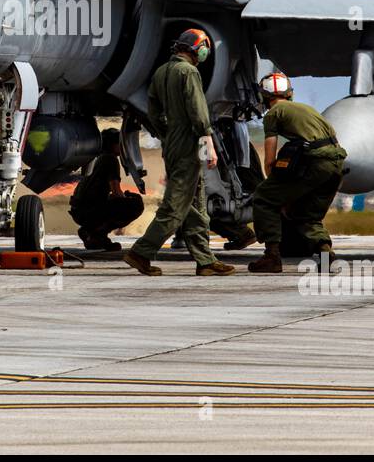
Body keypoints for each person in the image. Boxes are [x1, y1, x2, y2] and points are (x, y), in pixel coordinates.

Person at [123, 29, 236, 277]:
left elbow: (152, 113)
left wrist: (167, 133)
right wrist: (208, 144)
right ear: (195, 48)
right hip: (189, 143)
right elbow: (198, 111)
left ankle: (205, 261)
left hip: (172, 142)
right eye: (204, 46)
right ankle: (141, 252)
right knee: (175, 206)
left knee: (195, 205)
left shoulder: (161, 72)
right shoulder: (188, 72)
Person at [248, 72, 347, 274]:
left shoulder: (274, 113)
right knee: (305, 213)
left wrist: (274, 188)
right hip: (336, 164)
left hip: (315, 162)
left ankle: (272, 257)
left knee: (263, 199)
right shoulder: (307, 109)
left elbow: (269, 158)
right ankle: (324, 252)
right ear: (289, 93)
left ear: (264, 96)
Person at [70, 128, 144, 251]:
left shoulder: (96, 158)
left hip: (79, 209)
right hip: (89, 212)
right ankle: (96, 233)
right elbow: (116, 191)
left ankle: (93, 235)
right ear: (113, 145)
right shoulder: (110, 159)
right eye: (119, 143)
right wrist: (125, 207)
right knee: (136, 204)